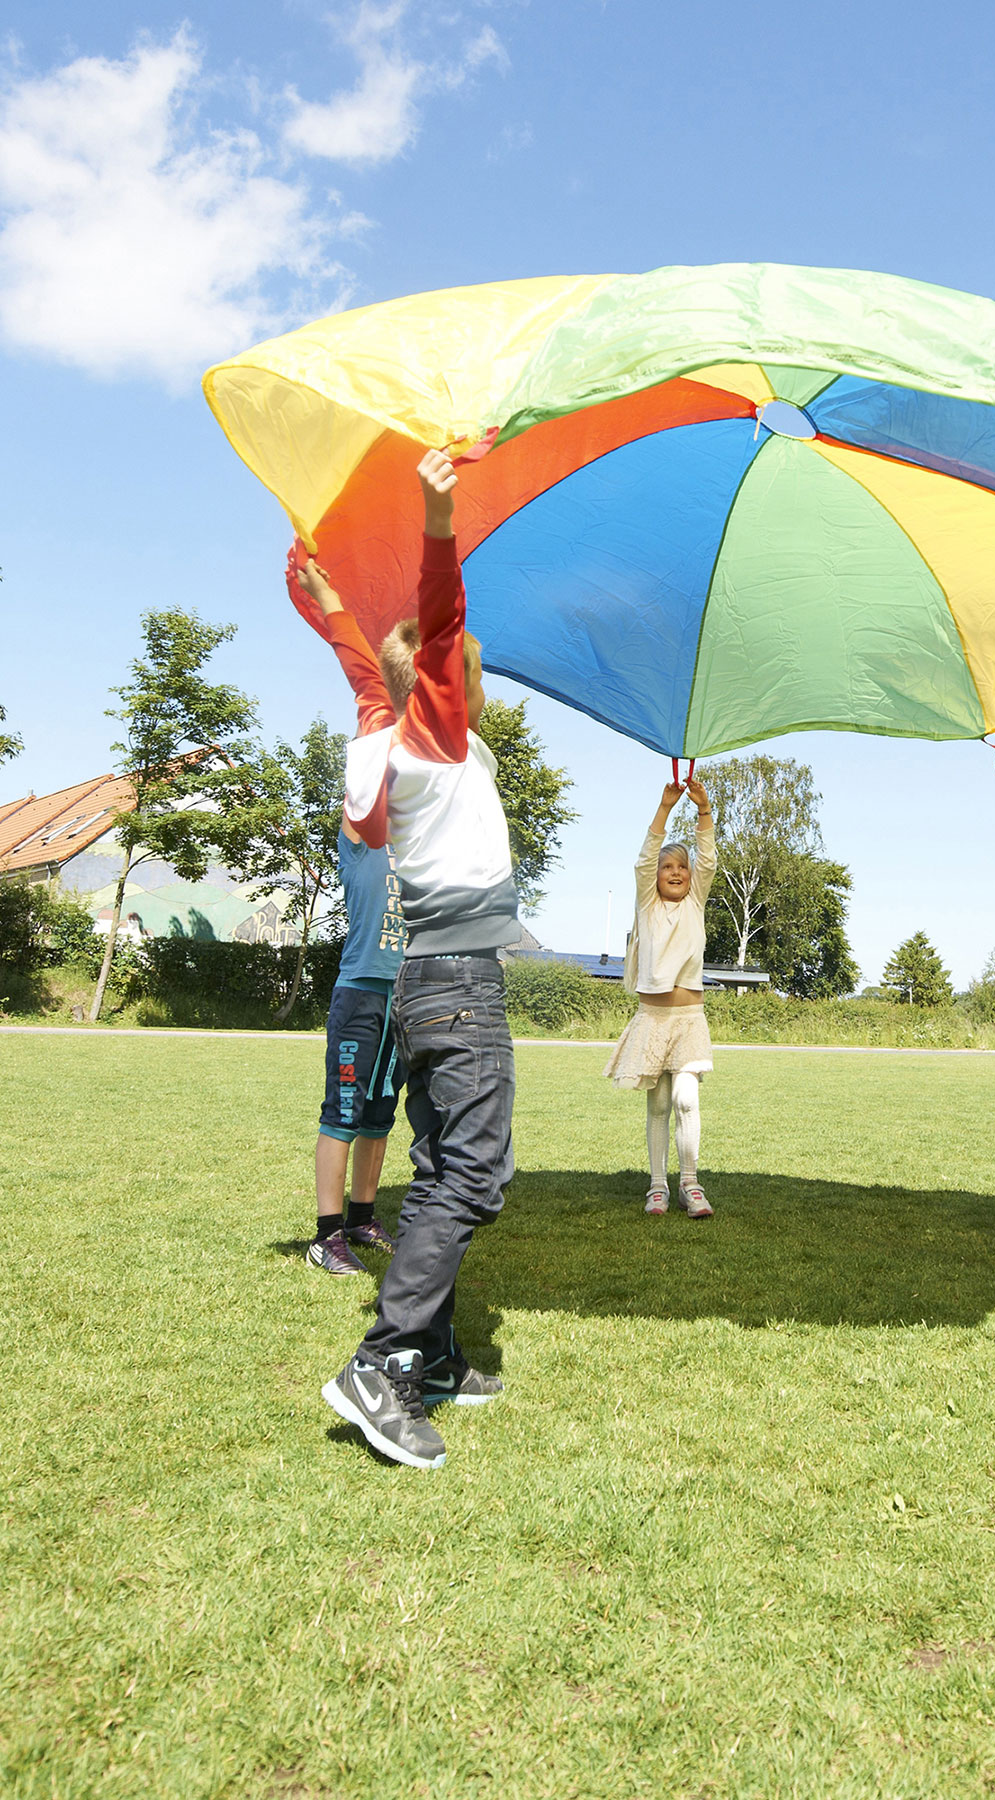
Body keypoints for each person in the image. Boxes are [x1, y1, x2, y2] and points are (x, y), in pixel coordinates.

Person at [309, 447, 519, 1471]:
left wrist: (331, 618)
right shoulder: (437, 739)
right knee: (475, 1172)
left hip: (433, 980)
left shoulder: (404, 738)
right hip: (461, 985)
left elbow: (374, 673)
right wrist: (438, 515)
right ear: (452, 686)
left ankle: (431, 1358)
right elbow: (435, 628)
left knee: (443, 1163)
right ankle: (385, 1362)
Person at [289, 555, 406, 1280]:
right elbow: (372, 695)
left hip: (404, 994)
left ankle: (363, 1219)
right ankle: (325, 1232)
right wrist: (331, 596)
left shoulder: (416, 839)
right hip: (362, 989)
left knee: (378, 1116)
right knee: (341, 1110)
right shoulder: (361, 828)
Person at [607, 774, 718, 1218]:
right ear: (655, 878)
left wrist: (703, 810)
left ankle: (690, 1185)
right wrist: (666, 808)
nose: (674, 872)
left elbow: (707, 857)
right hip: (652, 1021)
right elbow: (645, 856)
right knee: (657, 1104)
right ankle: (657, 1187)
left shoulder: (695, 904)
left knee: (685, 1099)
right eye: (667, 868)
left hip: (689, 1020)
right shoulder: (647, 906)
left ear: (691, 879)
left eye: (682, 868)